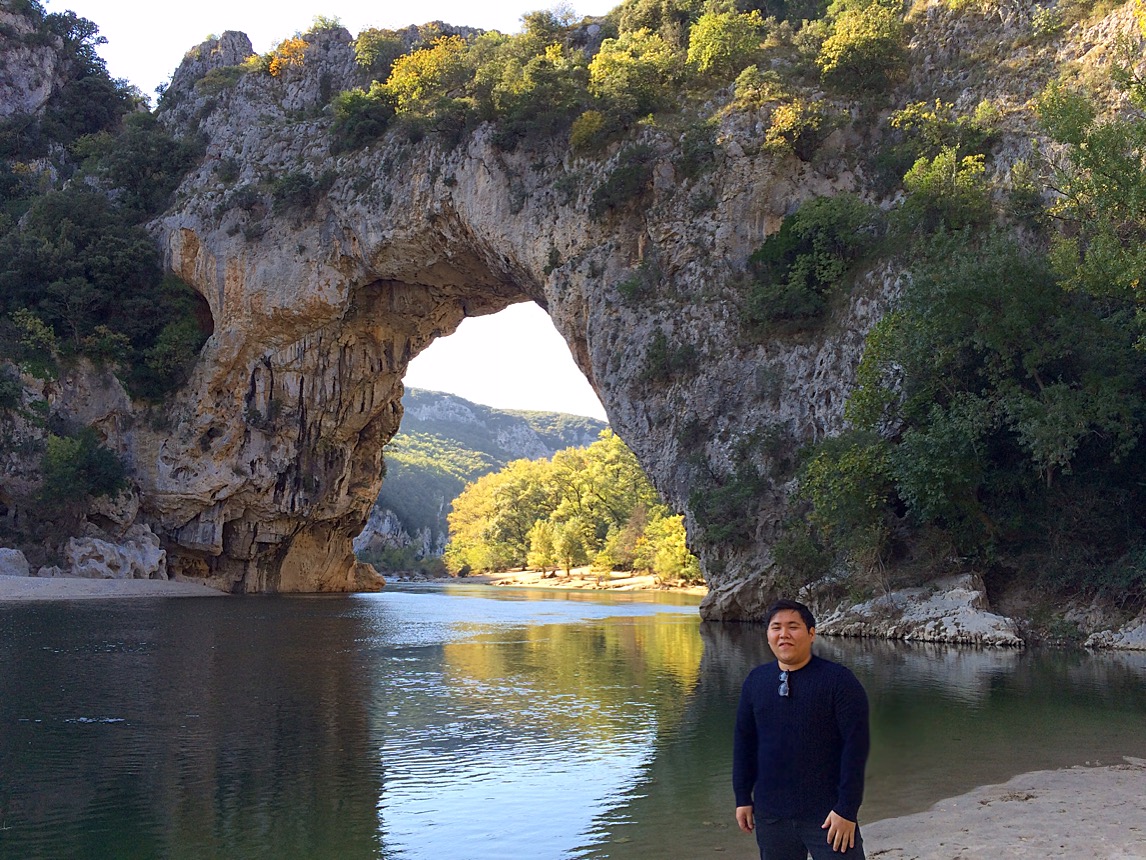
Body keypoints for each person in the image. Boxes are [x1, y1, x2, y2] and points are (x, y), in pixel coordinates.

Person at [733, 599, 870, 859]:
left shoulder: (838, 681)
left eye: (793, 627)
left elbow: (856, 748)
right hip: (771, 816)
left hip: (829, 815)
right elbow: (744, 743)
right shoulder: (756, 681)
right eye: (776, 628)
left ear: (811, 634)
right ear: (768, 635)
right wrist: (742, 797)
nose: (784, 634)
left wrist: (847, 809)